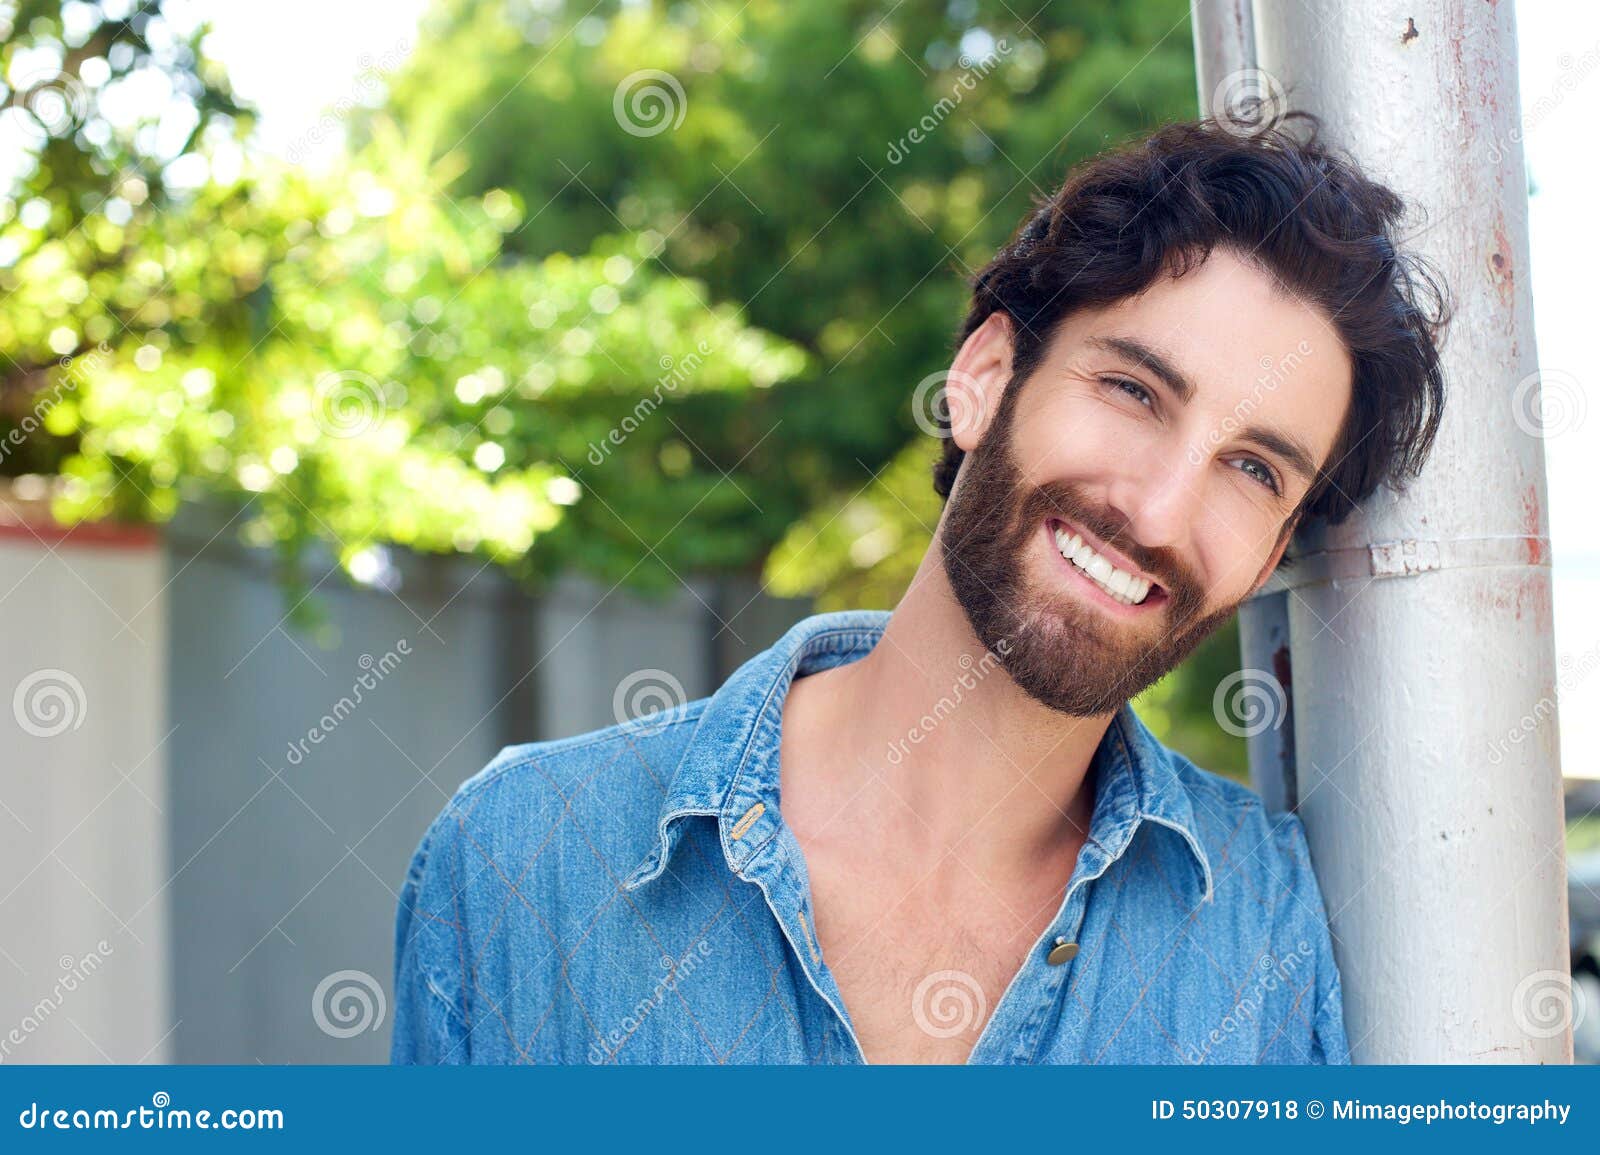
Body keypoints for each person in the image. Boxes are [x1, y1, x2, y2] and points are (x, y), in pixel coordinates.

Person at [391, 111, 1448, 1064]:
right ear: (985, 378)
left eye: (1254, 469)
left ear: (1272, 556)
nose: (1161, 512)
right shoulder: (525, 857)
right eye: (1132, 390)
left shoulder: (1272, 936)